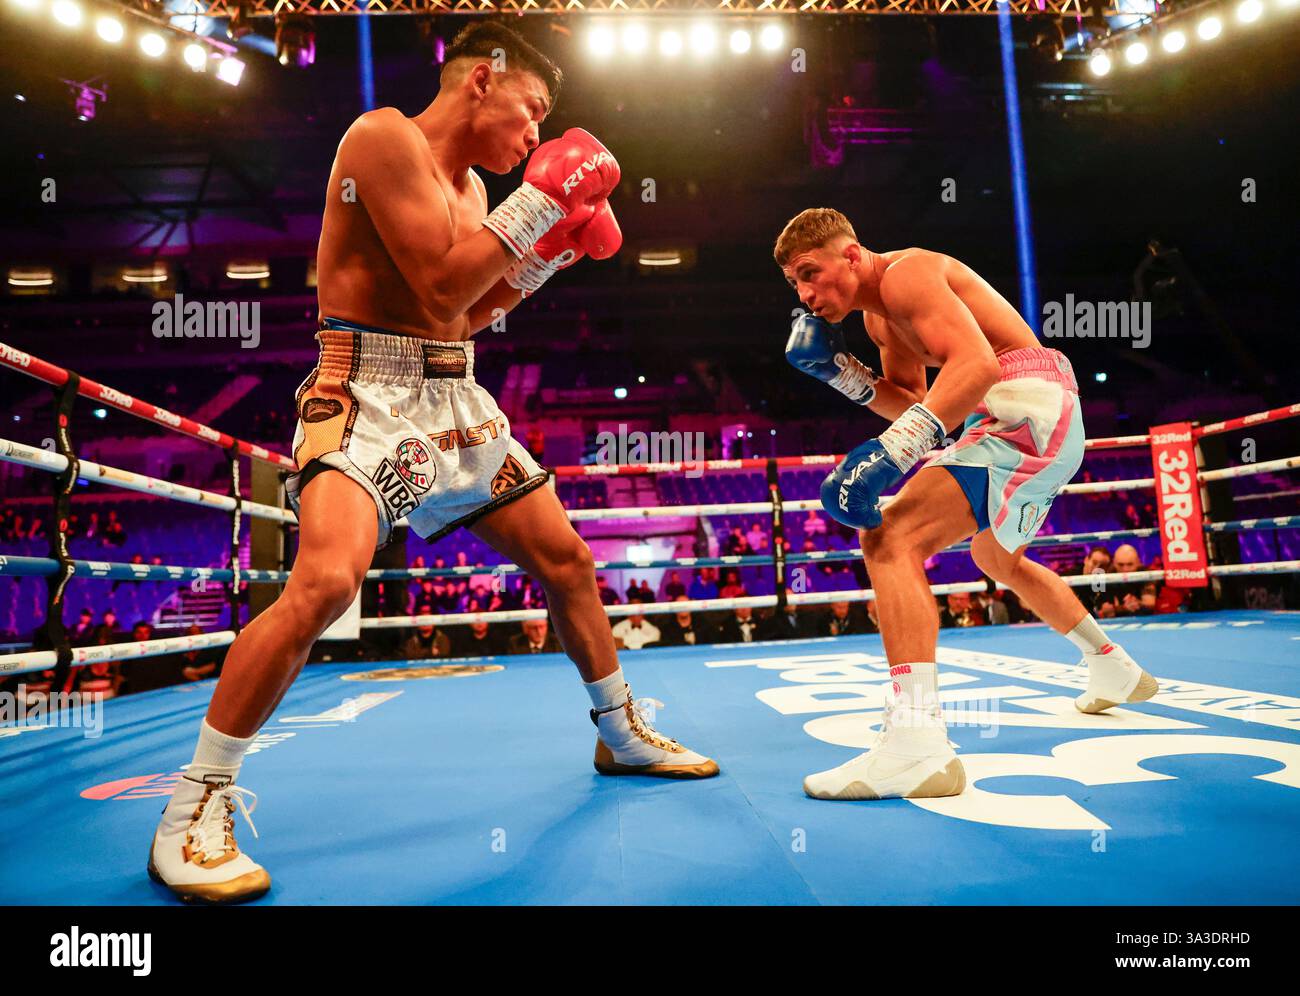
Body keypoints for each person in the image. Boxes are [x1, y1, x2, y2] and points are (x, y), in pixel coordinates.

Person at [148, 22, 715, 907]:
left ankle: (619, 730)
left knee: (567, 561)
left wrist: (552, 254)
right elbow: (441, 282)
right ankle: (196, 802)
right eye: (532, 113)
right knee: (327, 583)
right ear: (482, 81)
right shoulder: (382, 139)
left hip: (455, 397)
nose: (535, 138)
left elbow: (466, 313)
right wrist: (539, 207)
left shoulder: (477, 185)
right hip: (367, 395)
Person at [776, 207, 1156, 802]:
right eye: (794, 284)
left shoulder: (910, 273)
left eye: (809, 273)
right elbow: (918, 405)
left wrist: (894, 453)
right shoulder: (879, 322)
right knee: (996, 560)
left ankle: (916, 744)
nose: (804, 294)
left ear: (851, 256)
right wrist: (842, 375)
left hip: (1024, 407)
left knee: (891, 536)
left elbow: (976, 367)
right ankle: (1111, 664)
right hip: (1012, 417)